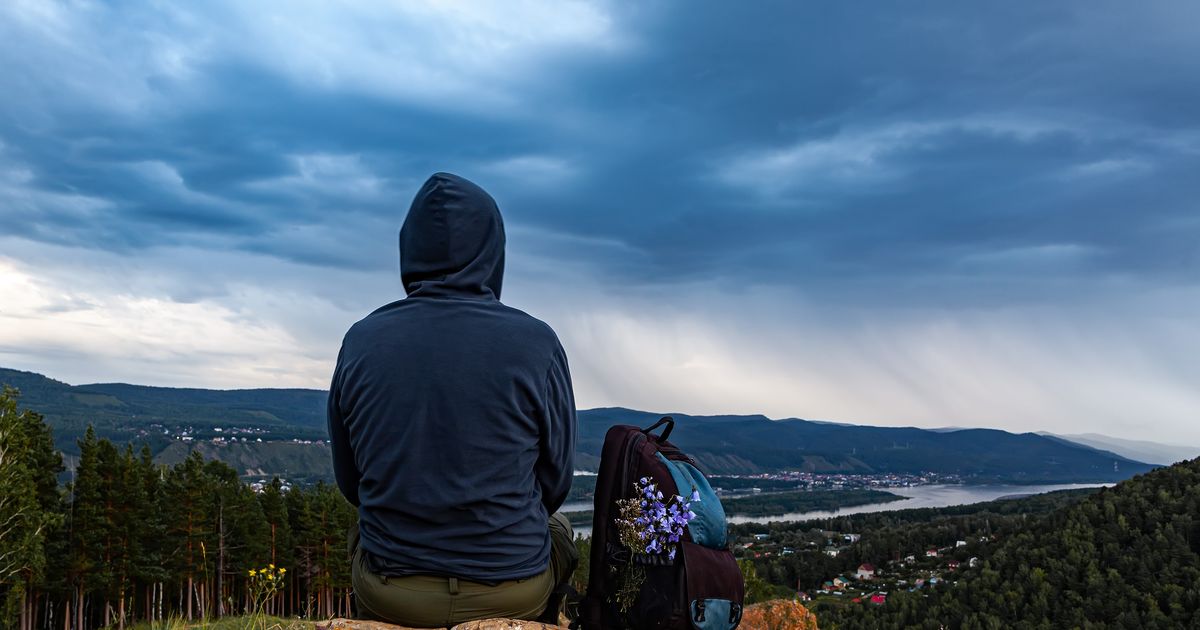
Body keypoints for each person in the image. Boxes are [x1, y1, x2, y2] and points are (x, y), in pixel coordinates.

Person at [327, 172, 578, 627]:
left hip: (394, 592)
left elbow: (351, 482)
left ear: (410, 247)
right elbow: (555, 483)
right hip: (511, 589)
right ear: (492, 249)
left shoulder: (361, 339)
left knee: (360, 535)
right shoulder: (537, 342)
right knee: (559, 530)